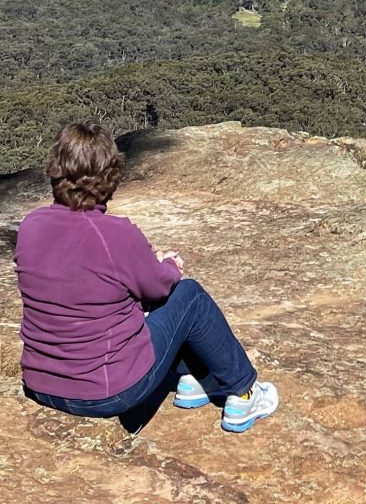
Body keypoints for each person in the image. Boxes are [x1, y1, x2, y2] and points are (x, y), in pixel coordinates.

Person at [15, 122, 280, 434]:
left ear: (55, 171)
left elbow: (83, 279)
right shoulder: (116, 234)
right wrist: (169, 267)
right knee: (189, 296)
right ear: (110, 177)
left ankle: (195, 378)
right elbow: (156, 291)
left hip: (41, 385)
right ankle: (245, 391)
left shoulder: (31, 227)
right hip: (108, 392)